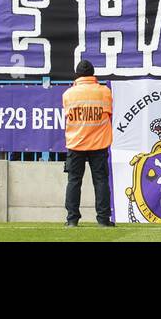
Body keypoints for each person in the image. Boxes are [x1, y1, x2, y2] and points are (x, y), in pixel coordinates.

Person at [61, 59, 113, 227]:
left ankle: (72, 220)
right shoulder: (104, 92)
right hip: (99, 143)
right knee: (101, 181)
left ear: (77, 75)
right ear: (93, 74)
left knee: (74, 180)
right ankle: (103, 220)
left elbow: (68, 117)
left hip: (76, 143)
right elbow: (109, 115)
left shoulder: (68, 94)